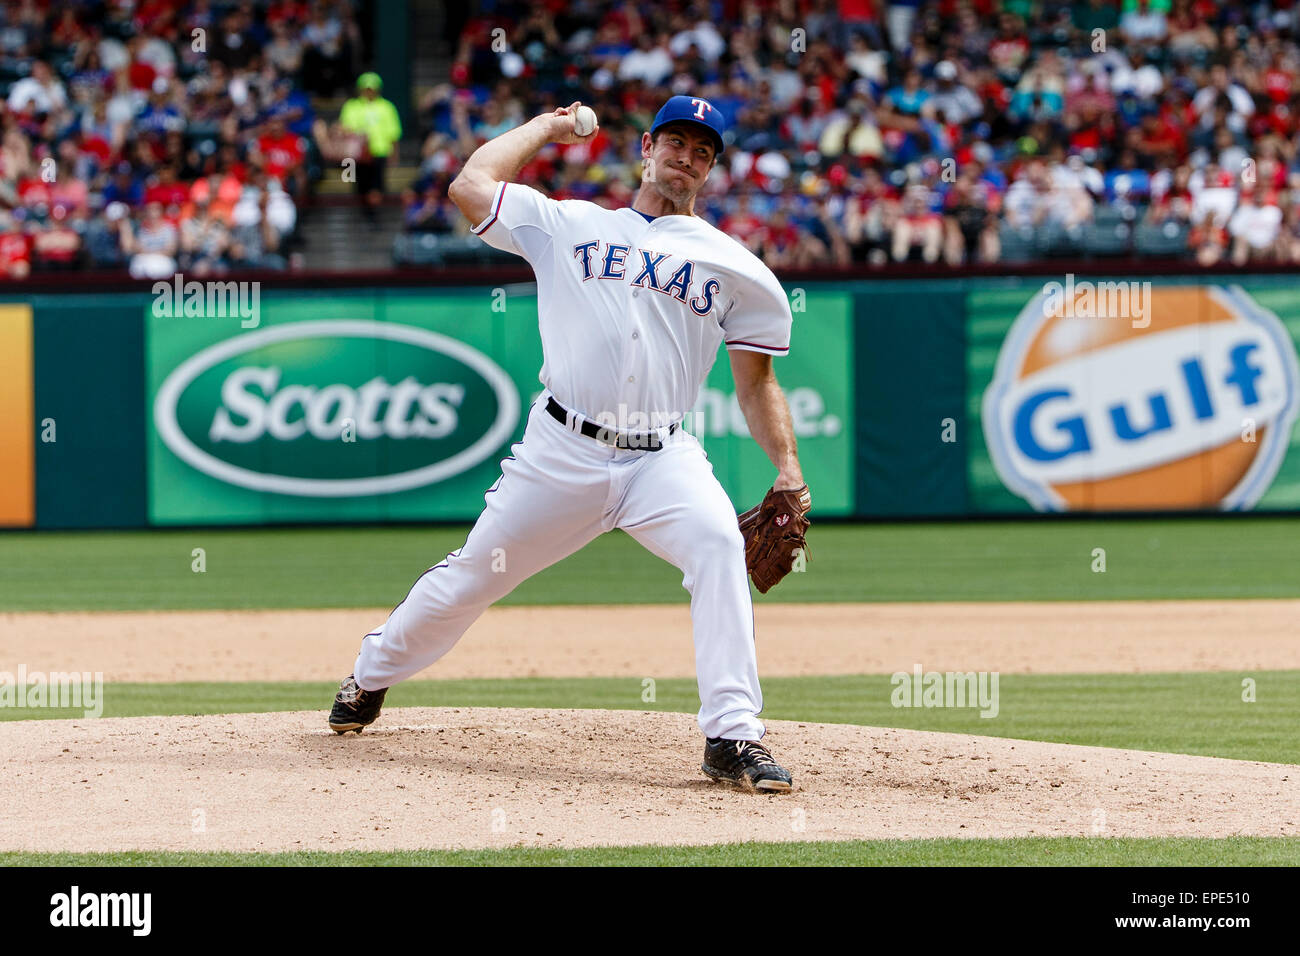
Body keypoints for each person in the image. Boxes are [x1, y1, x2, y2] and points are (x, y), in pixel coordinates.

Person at [327, 96, 810, 793]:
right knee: (474, 576)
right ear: (646, 148)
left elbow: (757, 383)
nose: (687, 157)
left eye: (702, 151)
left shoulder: (738, 268)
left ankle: (733, 736)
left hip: (661, 458)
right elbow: (469, 186)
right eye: (676, 142)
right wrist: (549, 128)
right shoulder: (569, 223)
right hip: (560, 451)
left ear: (710, 170)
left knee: (718, 546)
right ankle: (371, 674)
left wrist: (788, 468)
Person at [338, 72, 402, 226]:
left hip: (379, 151)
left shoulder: (387, 107)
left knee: (376, 185)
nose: (369, 92)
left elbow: (394, 133)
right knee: (358, 183)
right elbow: (344, 129)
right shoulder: (351, 106)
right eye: (366, 89)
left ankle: (373, 215)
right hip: (357, 155)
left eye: (372, 89)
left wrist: (394, 153)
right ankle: (363, 212)